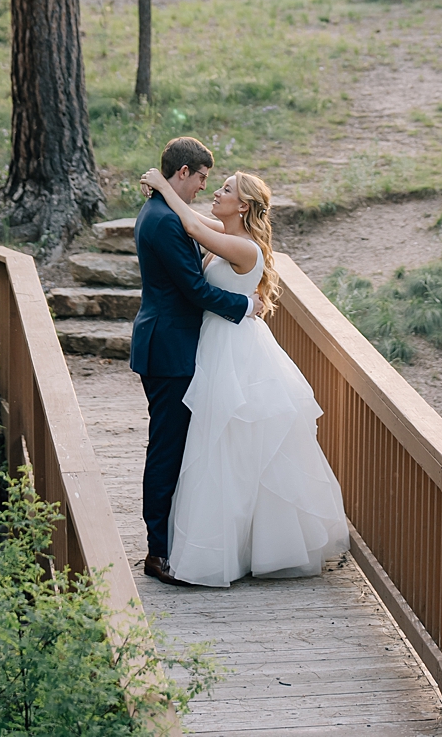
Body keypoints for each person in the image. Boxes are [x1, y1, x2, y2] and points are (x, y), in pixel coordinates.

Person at [139, 162, 349, 587]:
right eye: (214, 184)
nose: (215, 192)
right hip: (214, 345)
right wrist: (168, 193)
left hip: (233, 351)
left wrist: (162, 183)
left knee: (228, 443)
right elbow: (192, 218)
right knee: (216, 444)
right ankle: (219, 542)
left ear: (245, 205)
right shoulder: (226, 235)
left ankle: (235, 545)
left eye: (226, 189)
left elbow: (194, 229)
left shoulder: (246, 247)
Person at [130, 136, 262, 585]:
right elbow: (195, 290)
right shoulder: (164, 220)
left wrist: (162, 188)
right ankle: (158, 551)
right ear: (183, 172)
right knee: (167, 450)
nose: (206, 187)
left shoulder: (165, 212)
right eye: (203, 177)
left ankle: (171, 540)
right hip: (169, 349)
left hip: (174, 345)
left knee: (178, 447)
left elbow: (201, 227)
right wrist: (246, 308)